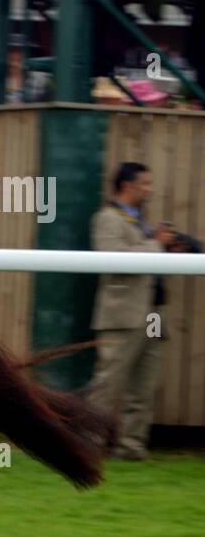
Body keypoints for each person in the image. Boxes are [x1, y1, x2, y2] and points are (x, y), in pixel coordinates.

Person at [87, 162, 179, 460]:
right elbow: (112, 258)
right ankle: (89, 443)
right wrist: (156, 245)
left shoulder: (139, 221)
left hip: (153, 313)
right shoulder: (106, 219)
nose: (149, 190)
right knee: (107, 383)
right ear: (128, 185)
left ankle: (131, 447)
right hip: (123, 315)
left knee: (145, 384)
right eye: (145, 184)